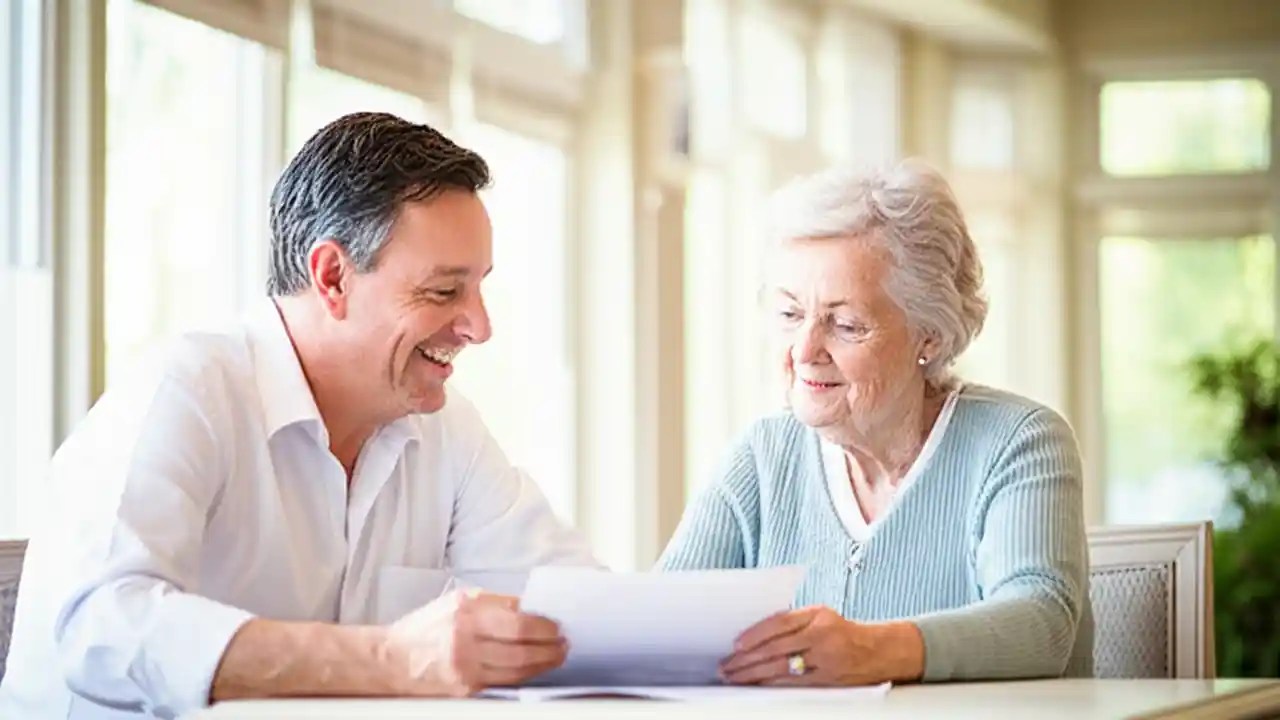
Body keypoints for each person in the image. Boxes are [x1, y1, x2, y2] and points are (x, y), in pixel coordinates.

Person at [0, 112, 597, 719]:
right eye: (444, 292)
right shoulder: (185, 391)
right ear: (332, 277)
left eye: (478, 289)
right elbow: (102, 630)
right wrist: (392, 658)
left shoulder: (446, 430)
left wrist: (686, 640)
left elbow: (573, 603)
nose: (479, 326)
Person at [659, 160, 1093, 686]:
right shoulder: (763, 455)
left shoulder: (1017, 441)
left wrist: (872, 650)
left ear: (929, 334)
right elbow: (660, 628)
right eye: (790, 315)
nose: (804, 351)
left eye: (845, 325)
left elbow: (1042, 623)